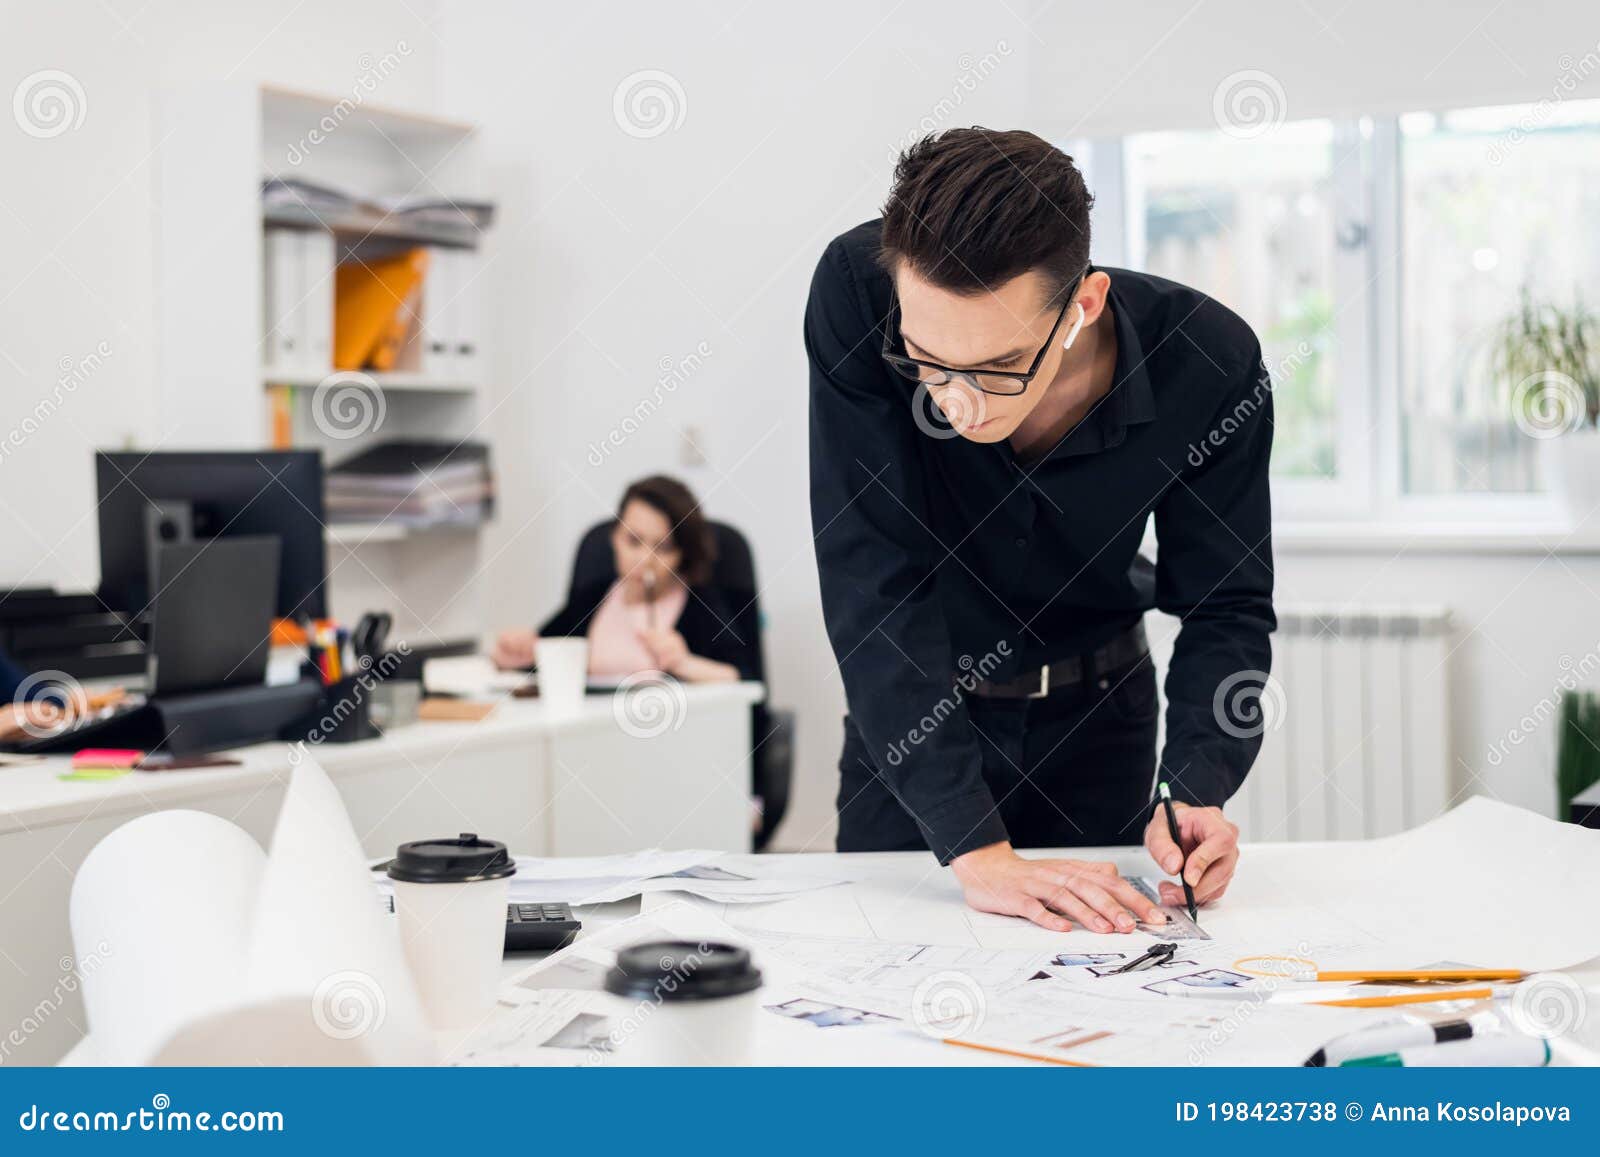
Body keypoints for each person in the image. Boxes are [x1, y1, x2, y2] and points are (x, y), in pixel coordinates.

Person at [806, 129, 1274, 934]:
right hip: (918, 723)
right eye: (924, 358)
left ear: (1082, 306)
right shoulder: (857, 290)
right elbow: (870, 578)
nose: (956, 402)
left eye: (998, 367)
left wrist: (1196, 785)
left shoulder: (1209, 362)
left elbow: (1224, 602)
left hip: (1098, 727)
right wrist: (972, 844)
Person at [491, 475, 757, 683]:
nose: (646, 560)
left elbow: (745, 678)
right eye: (633, 541)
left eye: (664, 548)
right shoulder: (592, 598)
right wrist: (515, 655)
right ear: (615, 538)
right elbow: (543, 655)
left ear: (682, 555)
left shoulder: (701, 604)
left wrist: (683, 663)